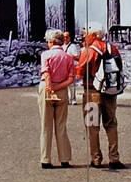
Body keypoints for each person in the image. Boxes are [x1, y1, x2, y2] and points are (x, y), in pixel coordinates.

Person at [77, 25, 123, 169]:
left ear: (94, 35)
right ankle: (114, 158)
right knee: (111, 123)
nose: (84, 36)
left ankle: (96, 158)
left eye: (86, 33)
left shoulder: (89, 50)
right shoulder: (113, 48)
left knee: (92, 125)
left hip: (92, 91)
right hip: (110, 91)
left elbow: (80, 71)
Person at [39, 29, 76, 169]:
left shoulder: (46, 55)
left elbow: (46, 73)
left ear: (51, 42)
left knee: (46, 126)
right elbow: (71, 78)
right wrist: (59, 86)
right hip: (62, 92)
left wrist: (50, 87)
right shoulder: (68, 57)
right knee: (61, 126)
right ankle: (65, 158)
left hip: (47, 90)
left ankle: (46, 159)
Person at [63, 30, 80, 105]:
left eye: (67, 37)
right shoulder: (61, 47)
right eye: (64, 37)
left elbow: (77, 57)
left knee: (71, 84)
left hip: (71, 67)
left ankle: (73, 99)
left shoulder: (73, 46)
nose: (65, 38)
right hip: (63, 67)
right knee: (64, 85)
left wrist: (67, 56)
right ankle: (66, 99)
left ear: (69, 38)